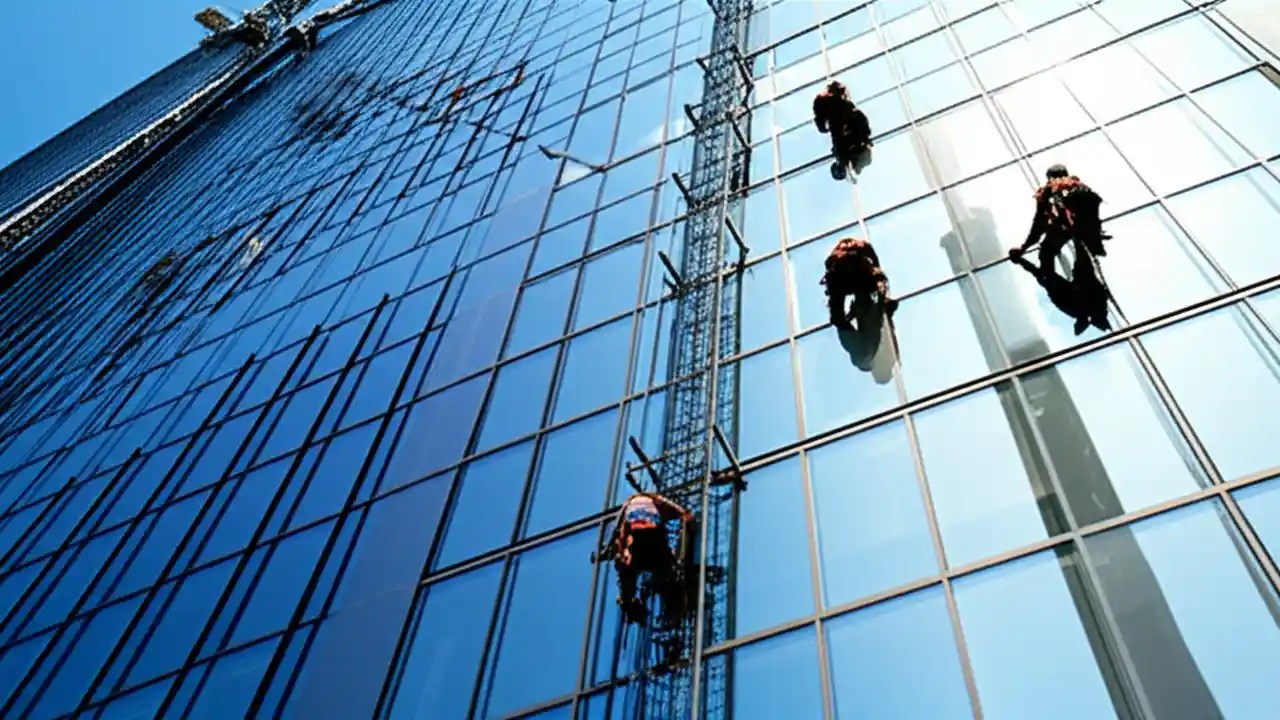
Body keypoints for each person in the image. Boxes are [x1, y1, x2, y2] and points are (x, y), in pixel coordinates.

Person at [609, 492, 693, 625]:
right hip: (650, 539)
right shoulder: (653, 500)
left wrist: (620, 552)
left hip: (640, 541)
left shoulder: (629, 504)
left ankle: (630, 604)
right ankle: (674, 607)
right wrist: (686, 520)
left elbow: (620, 532)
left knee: (629, 575)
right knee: (671, 574)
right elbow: (682, 514)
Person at [1009, 164, 1110, 270]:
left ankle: (1049, 275)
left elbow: (1039, 222)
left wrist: (1024, 247)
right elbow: (1094, 209)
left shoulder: (1048, 191)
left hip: (1065, 228)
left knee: (1047, 251)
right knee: (1084, 264)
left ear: (1050, 178)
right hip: (1083, 228)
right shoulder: (1080, 187)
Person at [822, 237, 897, 331]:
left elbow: (878, 276)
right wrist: (843, 322)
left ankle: (880, 302)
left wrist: (884, 299)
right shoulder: (835, 279)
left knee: (877, 283)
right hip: (847, 280)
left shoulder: (856, 250)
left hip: (861, 275)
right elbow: (835, 309)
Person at [813, 81, 872, 180]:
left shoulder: (836, 110)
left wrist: (842, 160)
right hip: (855, 134)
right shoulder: (844, 107)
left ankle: (853, 162)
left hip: (853, 135)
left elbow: (837, 137)